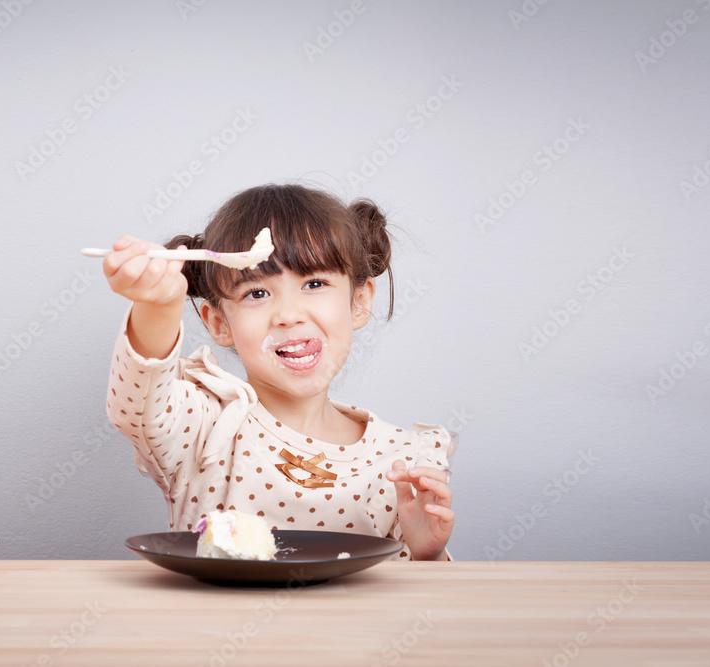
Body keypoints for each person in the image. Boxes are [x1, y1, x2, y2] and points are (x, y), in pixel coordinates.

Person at [102, 183, 454, 560]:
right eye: (257, 293)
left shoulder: (402, 461)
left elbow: (413, 611)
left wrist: (426, 555)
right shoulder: (204, 424)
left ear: (360, 301)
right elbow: (136, 404)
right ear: (219, 323)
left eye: (315, 284)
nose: (289, 315)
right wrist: (159, 305)